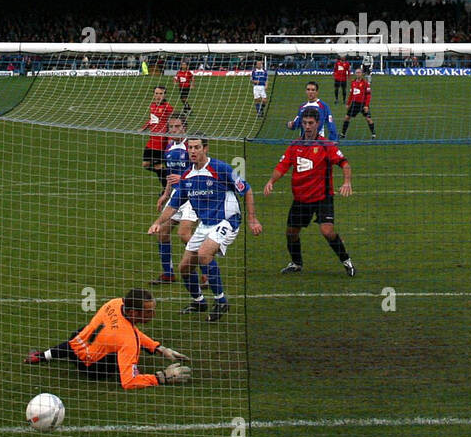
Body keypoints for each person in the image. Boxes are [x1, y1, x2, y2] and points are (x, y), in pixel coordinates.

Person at [148, 136, 262, 322]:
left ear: (205, 149)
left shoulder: (220, 168)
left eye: (197, 147)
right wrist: (158, 222)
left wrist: (252, 219)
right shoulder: (186, 177)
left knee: (204, 254)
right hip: (205, 225)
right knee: (184, 267)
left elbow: (246, 189)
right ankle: (198, 301)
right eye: (190, 148)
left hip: (227, 221)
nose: (193, 151)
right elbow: (174, 205)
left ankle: (221, 301)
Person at [23, 289, 190, 388]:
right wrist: (163, 377)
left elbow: (128, 329)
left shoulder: (115, 303)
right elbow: (128, 382)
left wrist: (158, 348)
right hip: (92, 368)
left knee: (85, 332)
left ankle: (41, 356)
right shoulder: (128, 339)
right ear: (133, 313)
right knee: (129, 351)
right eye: (148, 312)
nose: (153, 314)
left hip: (75, 346)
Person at [263, 110, 355, 275]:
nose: (307, 126)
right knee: (291, 233)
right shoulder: (295, 145)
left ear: (318, 124)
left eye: (310, 123)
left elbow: (344, 163)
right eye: (304, 123)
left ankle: (346, 261)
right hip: (301, 198)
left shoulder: (326, 145)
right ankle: (296, 263)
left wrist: (347, 182)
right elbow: (282, 166)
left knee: (327, 231)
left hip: (322, 197)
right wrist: (271, 181)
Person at [152, 116, 202, 283]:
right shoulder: (169, 147)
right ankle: (168, 274)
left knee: (185, 235)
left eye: (177, 126)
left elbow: (200, 173)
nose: (173, 129)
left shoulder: (192, 147)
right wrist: (165, 194)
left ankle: (207, 272)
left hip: (191, 197)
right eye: (171, 127)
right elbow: (170, 174)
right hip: (175, 196)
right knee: (162, 233)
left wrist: (183, 181)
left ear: (184, 128)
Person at [141, 86, 175, 184]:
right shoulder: (152, 106)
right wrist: (144, 127)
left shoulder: (168, 107)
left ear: (165, 95)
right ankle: (165, 172)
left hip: (161, 141)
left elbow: (172, 123)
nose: (158, 96)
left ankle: (166, 189)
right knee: (145, 164)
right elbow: (152, 119)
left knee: (157, 166)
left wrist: (169, 138)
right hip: (151, 140)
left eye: (160, 94)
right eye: (156, 93)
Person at [340, 66, 377, 139]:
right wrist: (348, 103)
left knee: (368, 119)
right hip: (354, 104)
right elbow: (351, 94)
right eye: (356, 72)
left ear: (362, 74)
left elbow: (368, 95)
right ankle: (343, 134)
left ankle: (373, 134)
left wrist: (366, 105)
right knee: (347, 118)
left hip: (363, 104)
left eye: (359, 72)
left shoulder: (366, 83)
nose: (358, 74)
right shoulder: (353, 83)